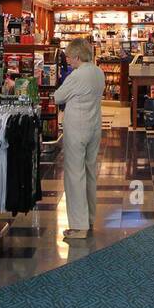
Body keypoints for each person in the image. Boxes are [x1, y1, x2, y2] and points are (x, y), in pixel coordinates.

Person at [53, 38, 106, 243]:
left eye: (68, 56)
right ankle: (90, 218)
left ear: (76, 56)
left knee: (75, 175)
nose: (67, 60)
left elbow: (58, 97)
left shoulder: (77, 75)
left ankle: (78, 225)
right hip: (94, 125)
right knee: (90, 171)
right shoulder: (98, 72)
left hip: (77, 127)